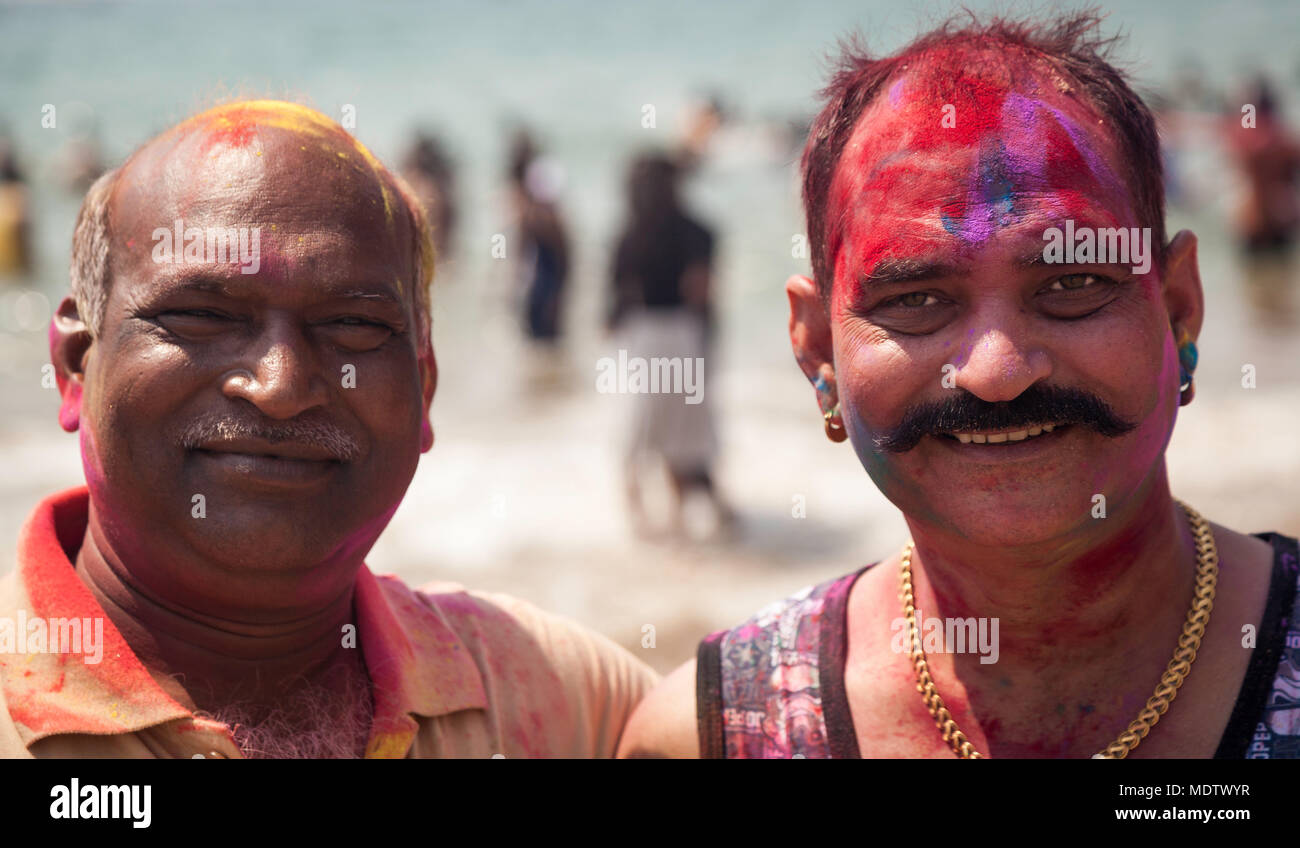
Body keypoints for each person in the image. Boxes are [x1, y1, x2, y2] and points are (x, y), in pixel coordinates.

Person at [618, 13, 1300, 759]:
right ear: (818, 352)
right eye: (915, 301)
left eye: (1074, 282)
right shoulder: (715, 735)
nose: (998, 372)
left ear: (1178, 310)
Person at [0, 100, 657, 758]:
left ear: (423, 388)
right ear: (75, 368)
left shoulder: (554, 698)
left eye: (355, 327)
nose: (282, 386)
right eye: (200, 313)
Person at [608, 153, 733, 539]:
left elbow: (613, 300)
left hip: (642, 335)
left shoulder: (628, 235)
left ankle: (638, 519)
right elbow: (701, 289)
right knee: (683, 433)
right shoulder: (698, 231)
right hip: (683, 333)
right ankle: (679, 519)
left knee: (638, 429)